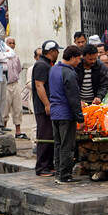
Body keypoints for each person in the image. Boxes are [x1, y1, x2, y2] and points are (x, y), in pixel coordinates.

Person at [50, 45, 84, 183]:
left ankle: (58, 173)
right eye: (78, 59)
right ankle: (64, 175)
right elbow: (73, 98)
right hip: (66, 113)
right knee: (67, 145)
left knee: (58, 144)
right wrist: (80, 118)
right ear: (72, 58)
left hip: (55, 112)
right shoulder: (69, 73)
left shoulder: (53, 69)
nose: (79, 62)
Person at [32, 41, 59, 175]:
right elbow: (39, 86)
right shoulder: (42, 65)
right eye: (56, 51)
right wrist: (47, 104)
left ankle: (49, 165)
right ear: (52, 52)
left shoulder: (48, 64)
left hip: (51, 106)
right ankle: (42, 168)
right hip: (43, 108)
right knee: (45, 136)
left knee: (51, 137)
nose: (58, 53)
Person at [2, 35, 25, 139]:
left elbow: (18, 70)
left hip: (15, 84)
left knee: (17, 108)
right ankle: (3, 130)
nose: (11, 45)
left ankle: (18, 131)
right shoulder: (2, 56)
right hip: (5, 85)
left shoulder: (16, 57)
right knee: (5, 109)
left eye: (13, 43)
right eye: (9, 43)